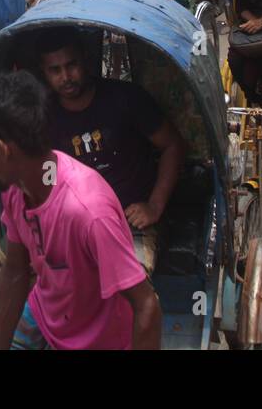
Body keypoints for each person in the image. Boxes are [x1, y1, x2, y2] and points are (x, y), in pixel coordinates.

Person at [0, 71, 162, 350]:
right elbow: (16, 270)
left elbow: (146, 304)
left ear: (4, 149)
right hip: (46, 312)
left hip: (99, 339)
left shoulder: (88, 212)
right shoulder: (17, 190)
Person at [35, 29, 187, 274]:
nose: (66, 77)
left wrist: (154, 206)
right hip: (78, 223)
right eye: (55, 70)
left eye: (71, 65)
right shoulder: (45, 117)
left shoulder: (125, 98)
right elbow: (47, 175)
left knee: (128, 286)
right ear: (44, 73)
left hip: (132, 220)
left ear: (84, 59)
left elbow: (172, 145)